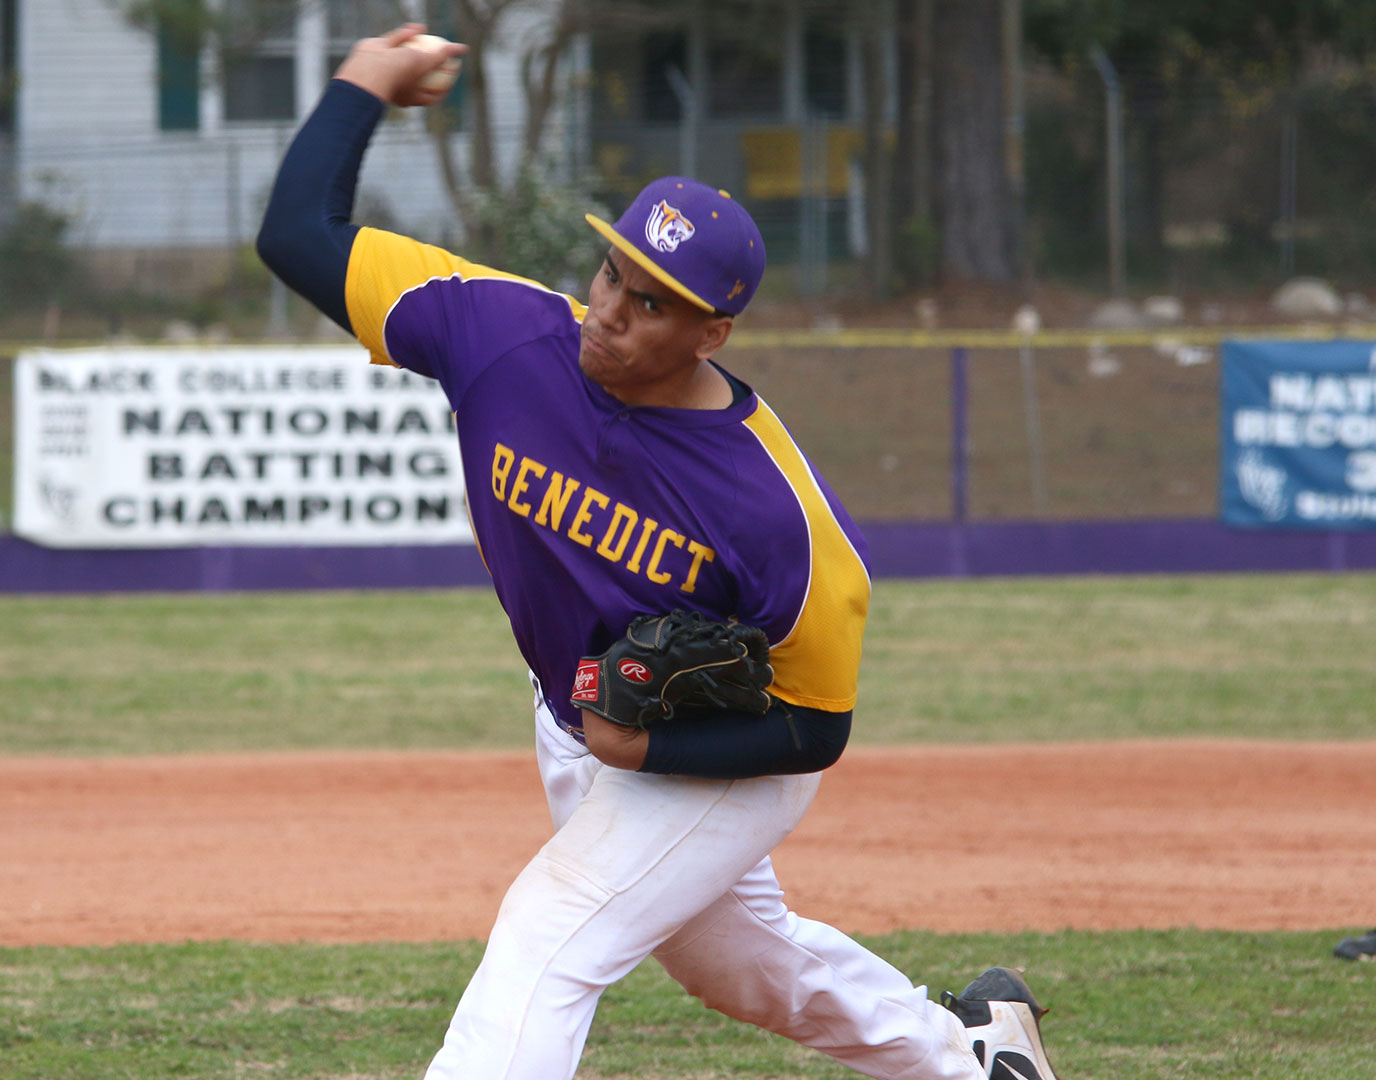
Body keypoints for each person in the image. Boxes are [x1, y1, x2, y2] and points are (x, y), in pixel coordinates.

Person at [256, 24, 1064, 1080]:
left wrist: (653, 756)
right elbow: (297, 236)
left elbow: (816, 729)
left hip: (725, 746)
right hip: (582, 719)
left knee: (550, 935)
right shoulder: (497, 334)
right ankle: (980, 1061)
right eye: (612, 273)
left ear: (712, 333)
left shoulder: (775, 511)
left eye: (652, 304)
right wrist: (364, 81)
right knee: (738, 966)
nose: (611, 313)